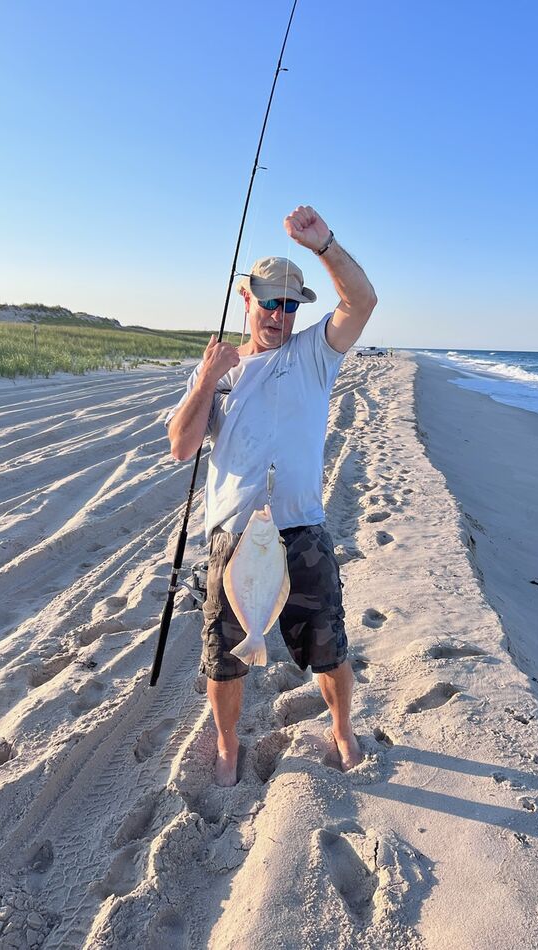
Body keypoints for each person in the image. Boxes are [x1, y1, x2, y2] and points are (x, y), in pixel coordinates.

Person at [167, 205, 377, 786]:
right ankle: (230, 742)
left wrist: (325, 245)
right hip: (233, 536)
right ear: (246, 298)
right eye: (271, 302)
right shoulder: (218, 372)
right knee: (226, 652)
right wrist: (209, 377)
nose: (280, 315)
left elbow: (361, 303)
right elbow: (182, 447)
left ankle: (341, 727)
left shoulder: (314, 354)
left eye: (291, 304)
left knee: (329, 642)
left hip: (301, 526)